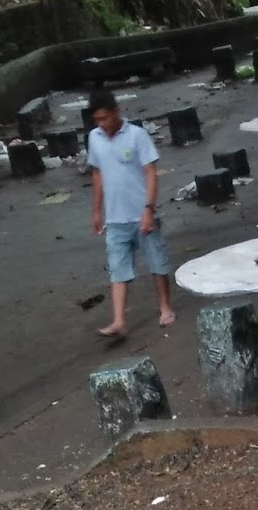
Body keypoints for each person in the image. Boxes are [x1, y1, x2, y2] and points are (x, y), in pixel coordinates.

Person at [86, 87, 175, 338]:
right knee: (118, 269)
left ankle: (165, 307)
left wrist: (149, 208)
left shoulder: (137, 135)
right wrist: (96, 210)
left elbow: (150, 173)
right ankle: (118, 320)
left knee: (156, 262)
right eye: (97, 120)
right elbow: (97, 173)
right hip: (115, 218)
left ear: (116, 112)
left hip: (142, 213)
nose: (102, 124)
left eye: (105, 118)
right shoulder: (94, 138)